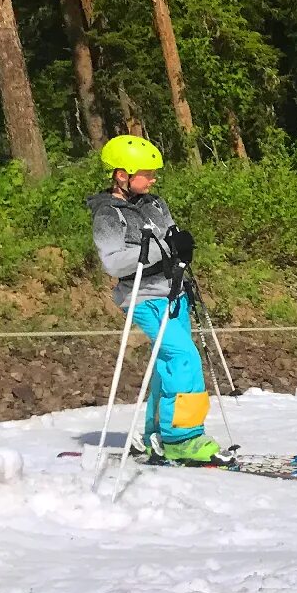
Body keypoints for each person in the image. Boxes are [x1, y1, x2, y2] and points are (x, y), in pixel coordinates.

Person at [87, 135, 221, 462]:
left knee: (168, 364)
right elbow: (112, 261)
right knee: (183, 358)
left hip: (174, 292)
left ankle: (157, 434)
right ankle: (182, 438)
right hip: (143, 296)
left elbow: (170, 233)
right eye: (146, 173)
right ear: (122, 175)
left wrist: (180, 243)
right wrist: (158, 255)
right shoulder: (108, 214)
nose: (153, 178)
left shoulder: (155, 203)